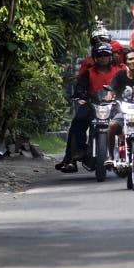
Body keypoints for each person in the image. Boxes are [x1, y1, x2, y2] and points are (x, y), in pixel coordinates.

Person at [56, 42, 118, 173]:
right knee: (78, 120)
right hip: (93, 105)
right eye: (99, 55)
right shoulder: (88, 73)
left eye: (105, 55)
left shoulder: (119, 72)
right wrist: (81, 95)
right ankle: (76, 153)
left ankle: (132, 153)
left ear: (110, 56)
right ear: (95, 57)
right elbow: (80, 87)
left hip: (114, 106)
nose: (102, 58)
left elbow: (125, 86)